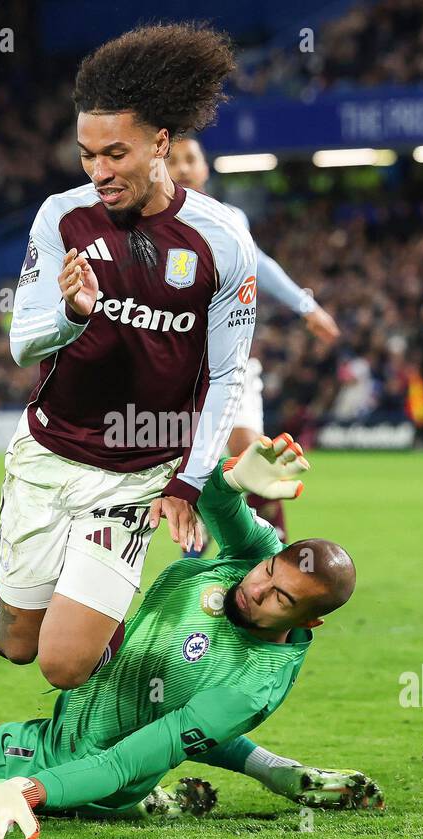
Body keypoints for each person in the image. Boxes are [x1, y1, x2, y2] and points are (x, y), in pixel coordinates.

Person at [0, 23, 259, 692]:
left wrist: (187, 483)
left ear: (161, 143)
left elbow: (225, 375)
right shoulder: (61, 219)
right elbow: (23, 340)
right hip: (51, 454)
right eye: (87, 156)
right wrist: (72, 315)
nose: (100, 172)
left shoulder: (223, 240)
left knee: (64, 664)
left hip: (138, 473)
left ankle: (105, 758)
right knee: (21, 641)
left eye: (115, 154)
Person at [0, 434, 379, 839]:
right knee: (84, 623)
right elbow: (214, 502)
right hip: (90, 686)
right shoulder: (253, 559)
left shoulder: (252, 686)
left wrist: (28, 790)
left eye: (281, 598)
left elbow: (128, 759)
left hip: (73, 758)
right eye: (269, 574)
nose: (257, 589)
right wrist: (233, 479)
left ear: (307, 620)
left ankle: (106, 804)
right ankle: (136, 800)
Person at [167, 136, 340, 544]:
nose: (184, 168)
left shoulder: (230, 218)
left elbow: (259, 263)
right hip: (173, 367)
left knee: (253, 460)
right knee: (186, 474)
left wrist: (306, 306)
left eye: (191, 159)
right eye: (173, 160)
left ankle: (274, 558)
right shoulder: (148, 224)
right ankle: (192, 578)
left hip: (229, 363)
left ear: (206, 168)